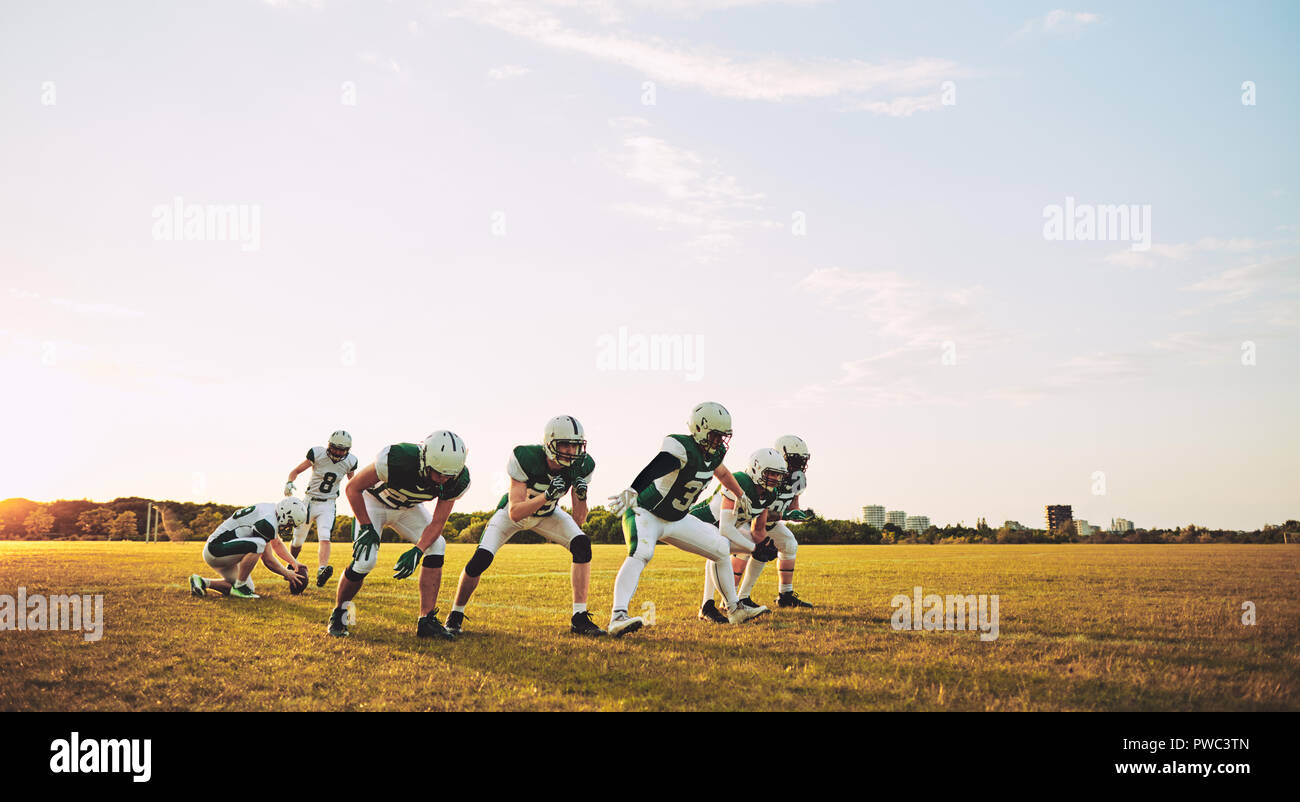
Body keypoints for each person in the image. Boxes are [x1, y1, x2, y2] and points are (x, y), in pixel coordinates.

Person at [605, 402, 770, 637]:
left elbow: (722, 472)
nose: (718, 441)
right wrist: (634, 488)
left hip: (677, 519)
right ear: (700, 429)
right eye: (714, 435)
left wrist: (740, 493)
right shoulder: (681, 447)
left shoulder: (713, 455)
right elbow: (657, 465)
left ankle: (734, 610)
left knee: (721, 548)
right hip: (647, 512)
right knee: (641, 554)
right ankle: (618, 616)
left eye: (722, 437)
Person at [447, 415, 605, 637]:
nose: (570, 451)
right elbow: (515, 512)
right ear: (549, 443)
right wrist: (547, 495)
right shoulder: (525, 457)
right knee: (480, 559)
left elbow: (579, 520)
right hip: (513, 513)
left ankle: (579, 618)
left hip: (548, 515)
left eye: (575, 445)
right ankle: (455, 614)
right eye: (565, 445)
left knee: (582, 544)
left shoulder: (582, 465)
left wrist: (582, 495)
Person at [327, 431, 470, 639]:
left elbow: (438, 522)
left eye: (450, 475)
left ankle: (426, 620)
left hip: (408, 508)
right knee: (365, 560)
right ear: (424, 460)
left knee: (436, 545)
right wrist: (366, 526)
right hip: (373, 503)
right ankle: (339, 613)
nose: (444, 480)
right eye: (439, 473)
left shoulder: (456, 478)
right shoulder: (396, 459)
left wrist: (418, 550)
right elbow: (352, 488)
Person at [189, 498, 309, 599]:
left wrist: (293, 562)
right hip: (217, 550)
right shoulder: (268, 522)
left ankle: (201, 582)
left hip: (224, 551)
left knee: (249, 588)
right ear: (285, 514)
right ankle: (240, 587)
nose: (289, 527)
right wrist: (287, 573)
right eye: (290, 523)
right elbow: (267, 559)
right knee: (259, 544)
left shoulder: (270, 510)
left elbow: (276, 543)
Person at [284, 430, 359, 588]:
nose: (338, 452)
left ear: (348, 450)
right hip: (309, 502)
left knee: (325, 536)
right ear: (329, 445)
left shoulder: (350, 461)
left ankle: (321, 569)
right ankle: (291, 564)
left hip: (328, 503)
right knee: (298, 539)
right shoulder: (317, 453)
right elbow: (295, 471)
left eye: (342, 449)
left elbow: (354, 483)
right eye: (335, 448)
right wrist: (289, 482)